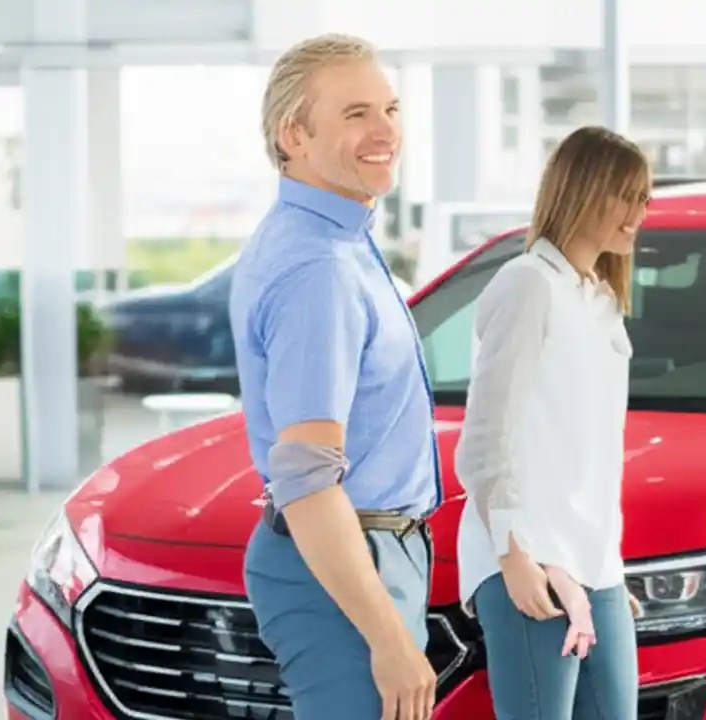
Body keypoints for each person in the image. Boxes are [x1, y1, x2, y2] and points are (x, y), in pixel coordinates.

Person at [228, 33, 441, 720]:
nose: (386, 131)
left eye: (391, 108)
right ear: (294, 134)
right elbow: (308, 477)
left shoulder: (338, 240)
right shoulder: (317, 267)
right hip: (344, 565)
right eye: (356, 114)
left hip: (363, 553)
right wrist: (389, 639)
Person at [453, 125, 648, 719]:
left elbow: (586, 445)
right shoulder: (528, 285)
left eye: (644, 197)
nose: (637, 212)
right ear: (582, 191)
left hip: (594, 560)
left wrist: (604, 558)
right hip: (529, 553)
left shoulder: (601, 300)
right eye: (625, 194)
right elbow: (487, 437)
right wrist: (514, 557)